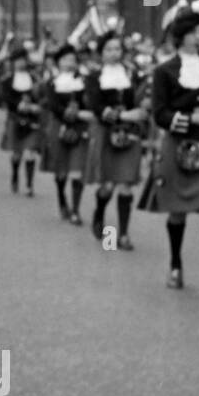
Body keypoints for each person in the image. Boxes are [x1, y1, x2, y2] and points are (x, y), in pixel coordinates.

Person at [144, 4, 199, 299]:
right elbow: (159, 114)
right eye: (195, 32)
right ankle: (176, 264)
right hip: (179, 144)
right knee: (178, 214)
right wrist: (194, 118)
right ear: (180, 36)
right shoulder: (163, 71)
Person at [84, 29, 148, 249]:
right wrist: (120, 115)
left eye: (117, 49)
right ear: (101, 53)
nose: (114, 53)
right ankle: (99, 213)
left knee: (126, 186)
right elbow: (95, 105)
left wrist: (142, 108)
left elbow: (141, 99)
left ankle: (122, 234)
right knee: (108, 186)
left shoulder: (132, 75)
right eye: (109, 49)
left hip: (129, 133)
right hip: (106, 133)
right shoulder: (94, 77)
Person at [43, 42, 93, 224]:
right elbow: (53, 105)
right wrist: (69, 114)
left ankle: (76, 210)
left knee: (78, 171)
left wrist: (81, 111)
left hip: (80, 127)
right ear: (58, 62)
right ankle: (62, 200)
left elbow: (90, 102)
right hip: (59, 127)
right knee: (62, 171)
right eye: (65, 59)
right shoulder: (51, 83)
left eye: (72, 59)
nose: (69, 63)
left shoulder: (85, 81)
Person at [0, 44, 43, 194]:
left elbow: (41, 96)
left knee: (30, 152)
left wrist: (35, 106)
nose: (21, 63)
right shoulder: (7, 80)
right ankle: (15, 175)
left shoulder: (35, 79)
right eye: (18, 60)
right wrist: (19, 105)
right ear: (13, 62)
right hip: (15, 118)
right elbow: (4, 97)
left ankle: (29, 185)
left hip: (32, 119)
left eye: (23, 59)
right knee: (17, 153)